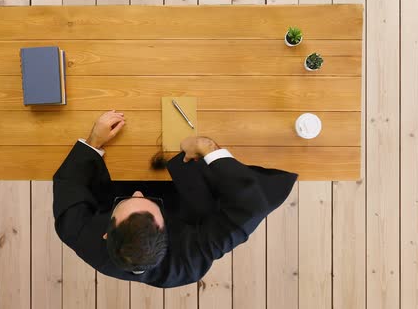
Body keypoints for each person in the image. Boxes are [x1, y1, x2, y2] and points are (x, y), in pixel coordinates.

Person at [53, 110, 298, 288]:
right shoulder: (191, 260)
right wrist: (207, 148)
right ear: (166, 229)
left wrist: (94, 141)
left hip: (119, 189)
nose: (138, 193)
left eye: (131, 201)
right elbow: (253, 206)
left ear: (107, 231)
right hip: (185, 203)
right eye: (142, 201)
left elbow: (69, 183)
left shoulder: (76, 232)